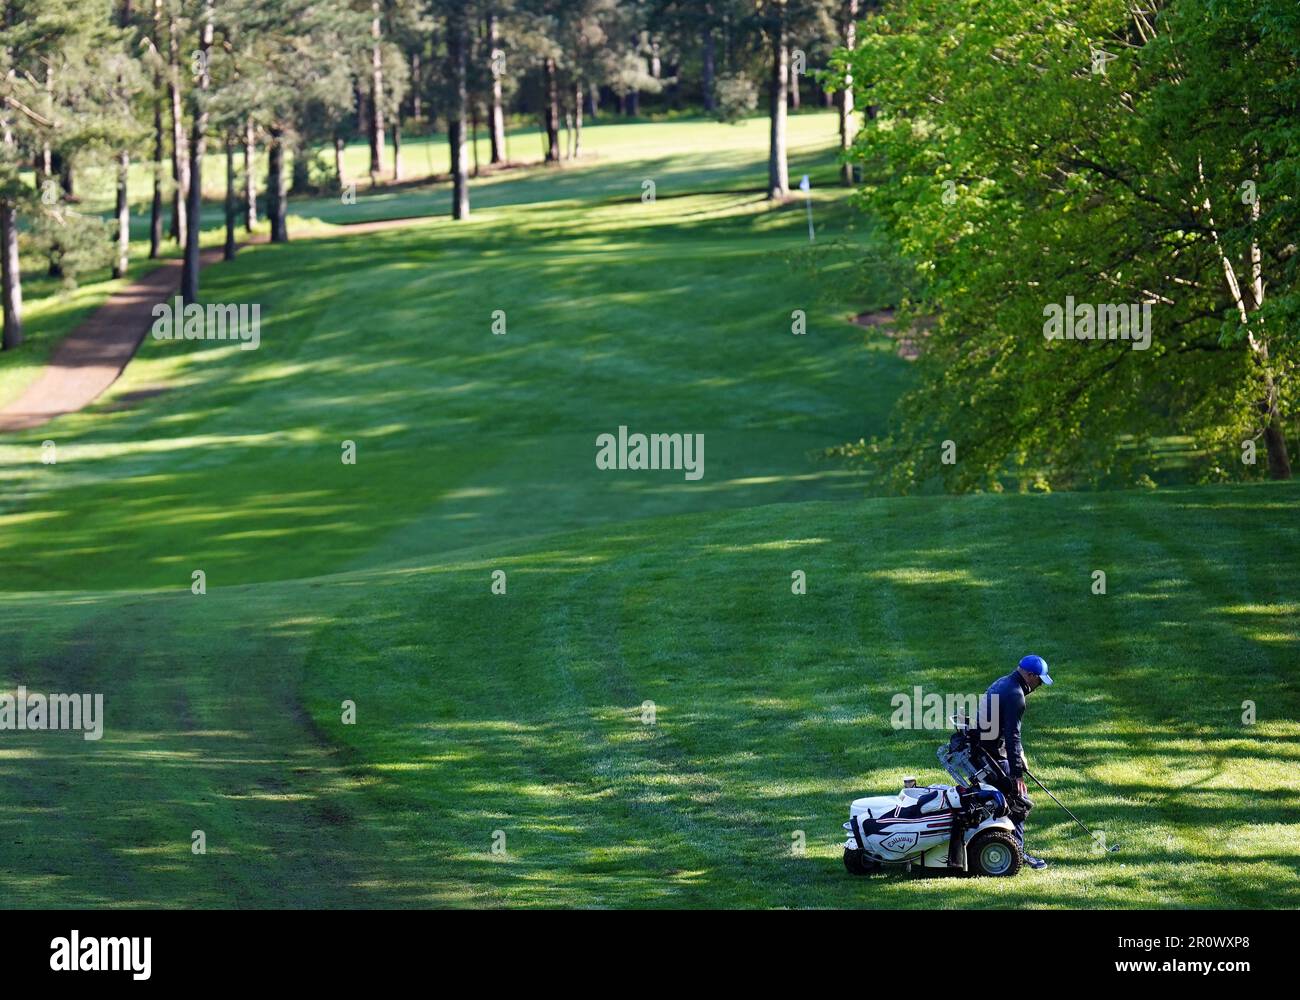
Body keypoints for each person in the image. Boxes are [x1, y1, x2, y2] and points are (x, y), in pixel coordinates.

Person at [977, 654, 1053, 870]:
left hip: (982, 750)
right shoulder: (1016, 696)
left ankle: (1009, 846)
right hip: (994, 755)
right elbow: (1012, 737)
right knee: (1020, 802)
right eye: (1039, 680)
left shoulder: (1002, 683)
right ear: (1030, 675)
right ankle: (1015, 852)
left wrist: (1021, 755)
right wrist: (1017, 774)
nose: (1039, 685)